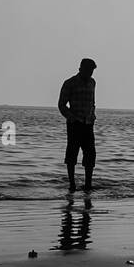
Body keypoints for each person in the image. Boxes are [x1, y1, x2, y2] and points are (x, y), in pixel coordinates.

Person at [58, 58, 98, 192]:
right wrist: (72, 118)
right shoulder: (70, 83)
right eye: (88, 70)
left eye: (92, 71)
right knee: (71, 154)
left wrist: (92, 116)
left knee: (90, 155)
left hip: (88, 124)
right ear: (81, 69)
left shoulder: (92, 83)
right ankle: (72, 184)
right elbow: (61, 105)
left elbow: (92, 102)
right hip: (75, 124)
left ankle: (88, 184)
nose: (90, 73)